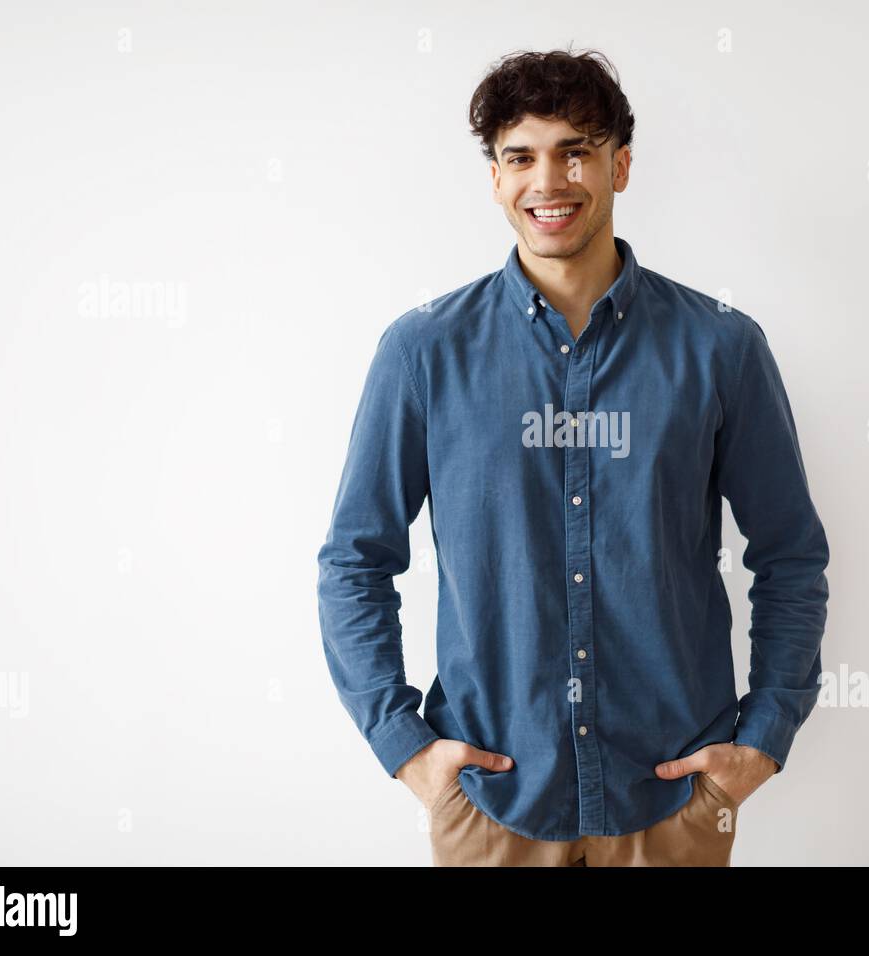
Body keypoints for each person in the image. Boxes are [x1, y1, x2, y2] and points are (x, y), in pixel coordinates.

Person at [316, 47, 830, 866]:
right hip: (492, 803)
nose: (548, 182)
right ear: (494, 177)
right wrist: (404, 745)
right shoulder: (423, 353)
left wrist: (763, 739)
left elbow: (791, 555)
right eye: (521, 156)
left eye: (576, 151)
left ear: (620, 166)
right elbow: (355, 561)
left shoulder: (721, 349)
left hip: (674, 801)